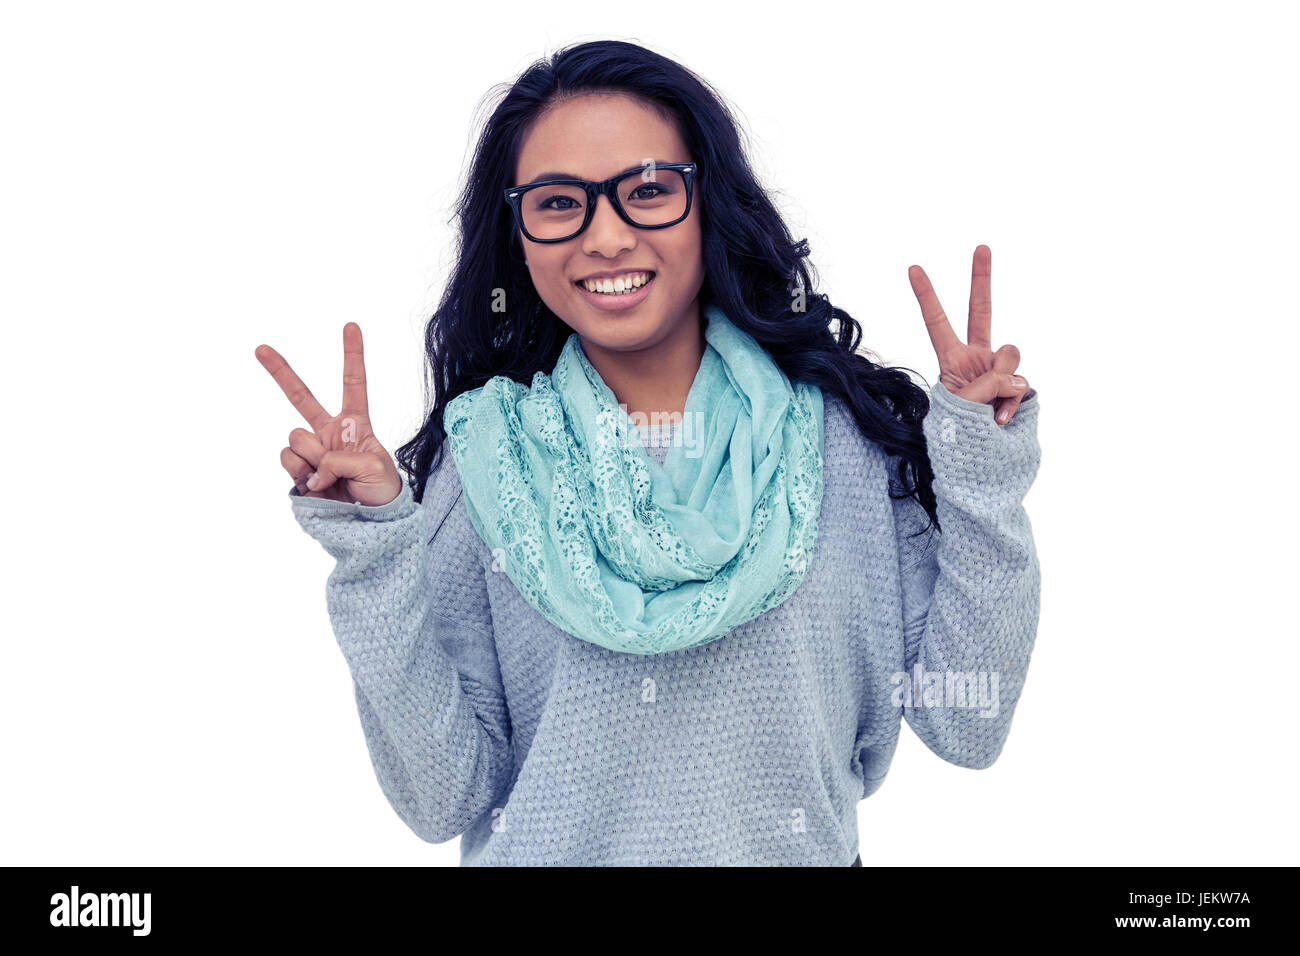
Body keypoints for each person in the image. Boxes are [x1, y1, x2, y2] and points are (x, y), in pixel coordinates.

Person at [254, 39, 1041, 866]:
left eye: (649, 191)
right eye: (560, 203)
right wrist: (374, 552)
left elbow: (969, 725)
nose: (604, 237)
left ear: (709, 204)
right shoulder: (489, 465)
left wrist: (980, 472)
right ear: (518, 233)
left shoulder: (839, 444)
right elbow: (441, 795)